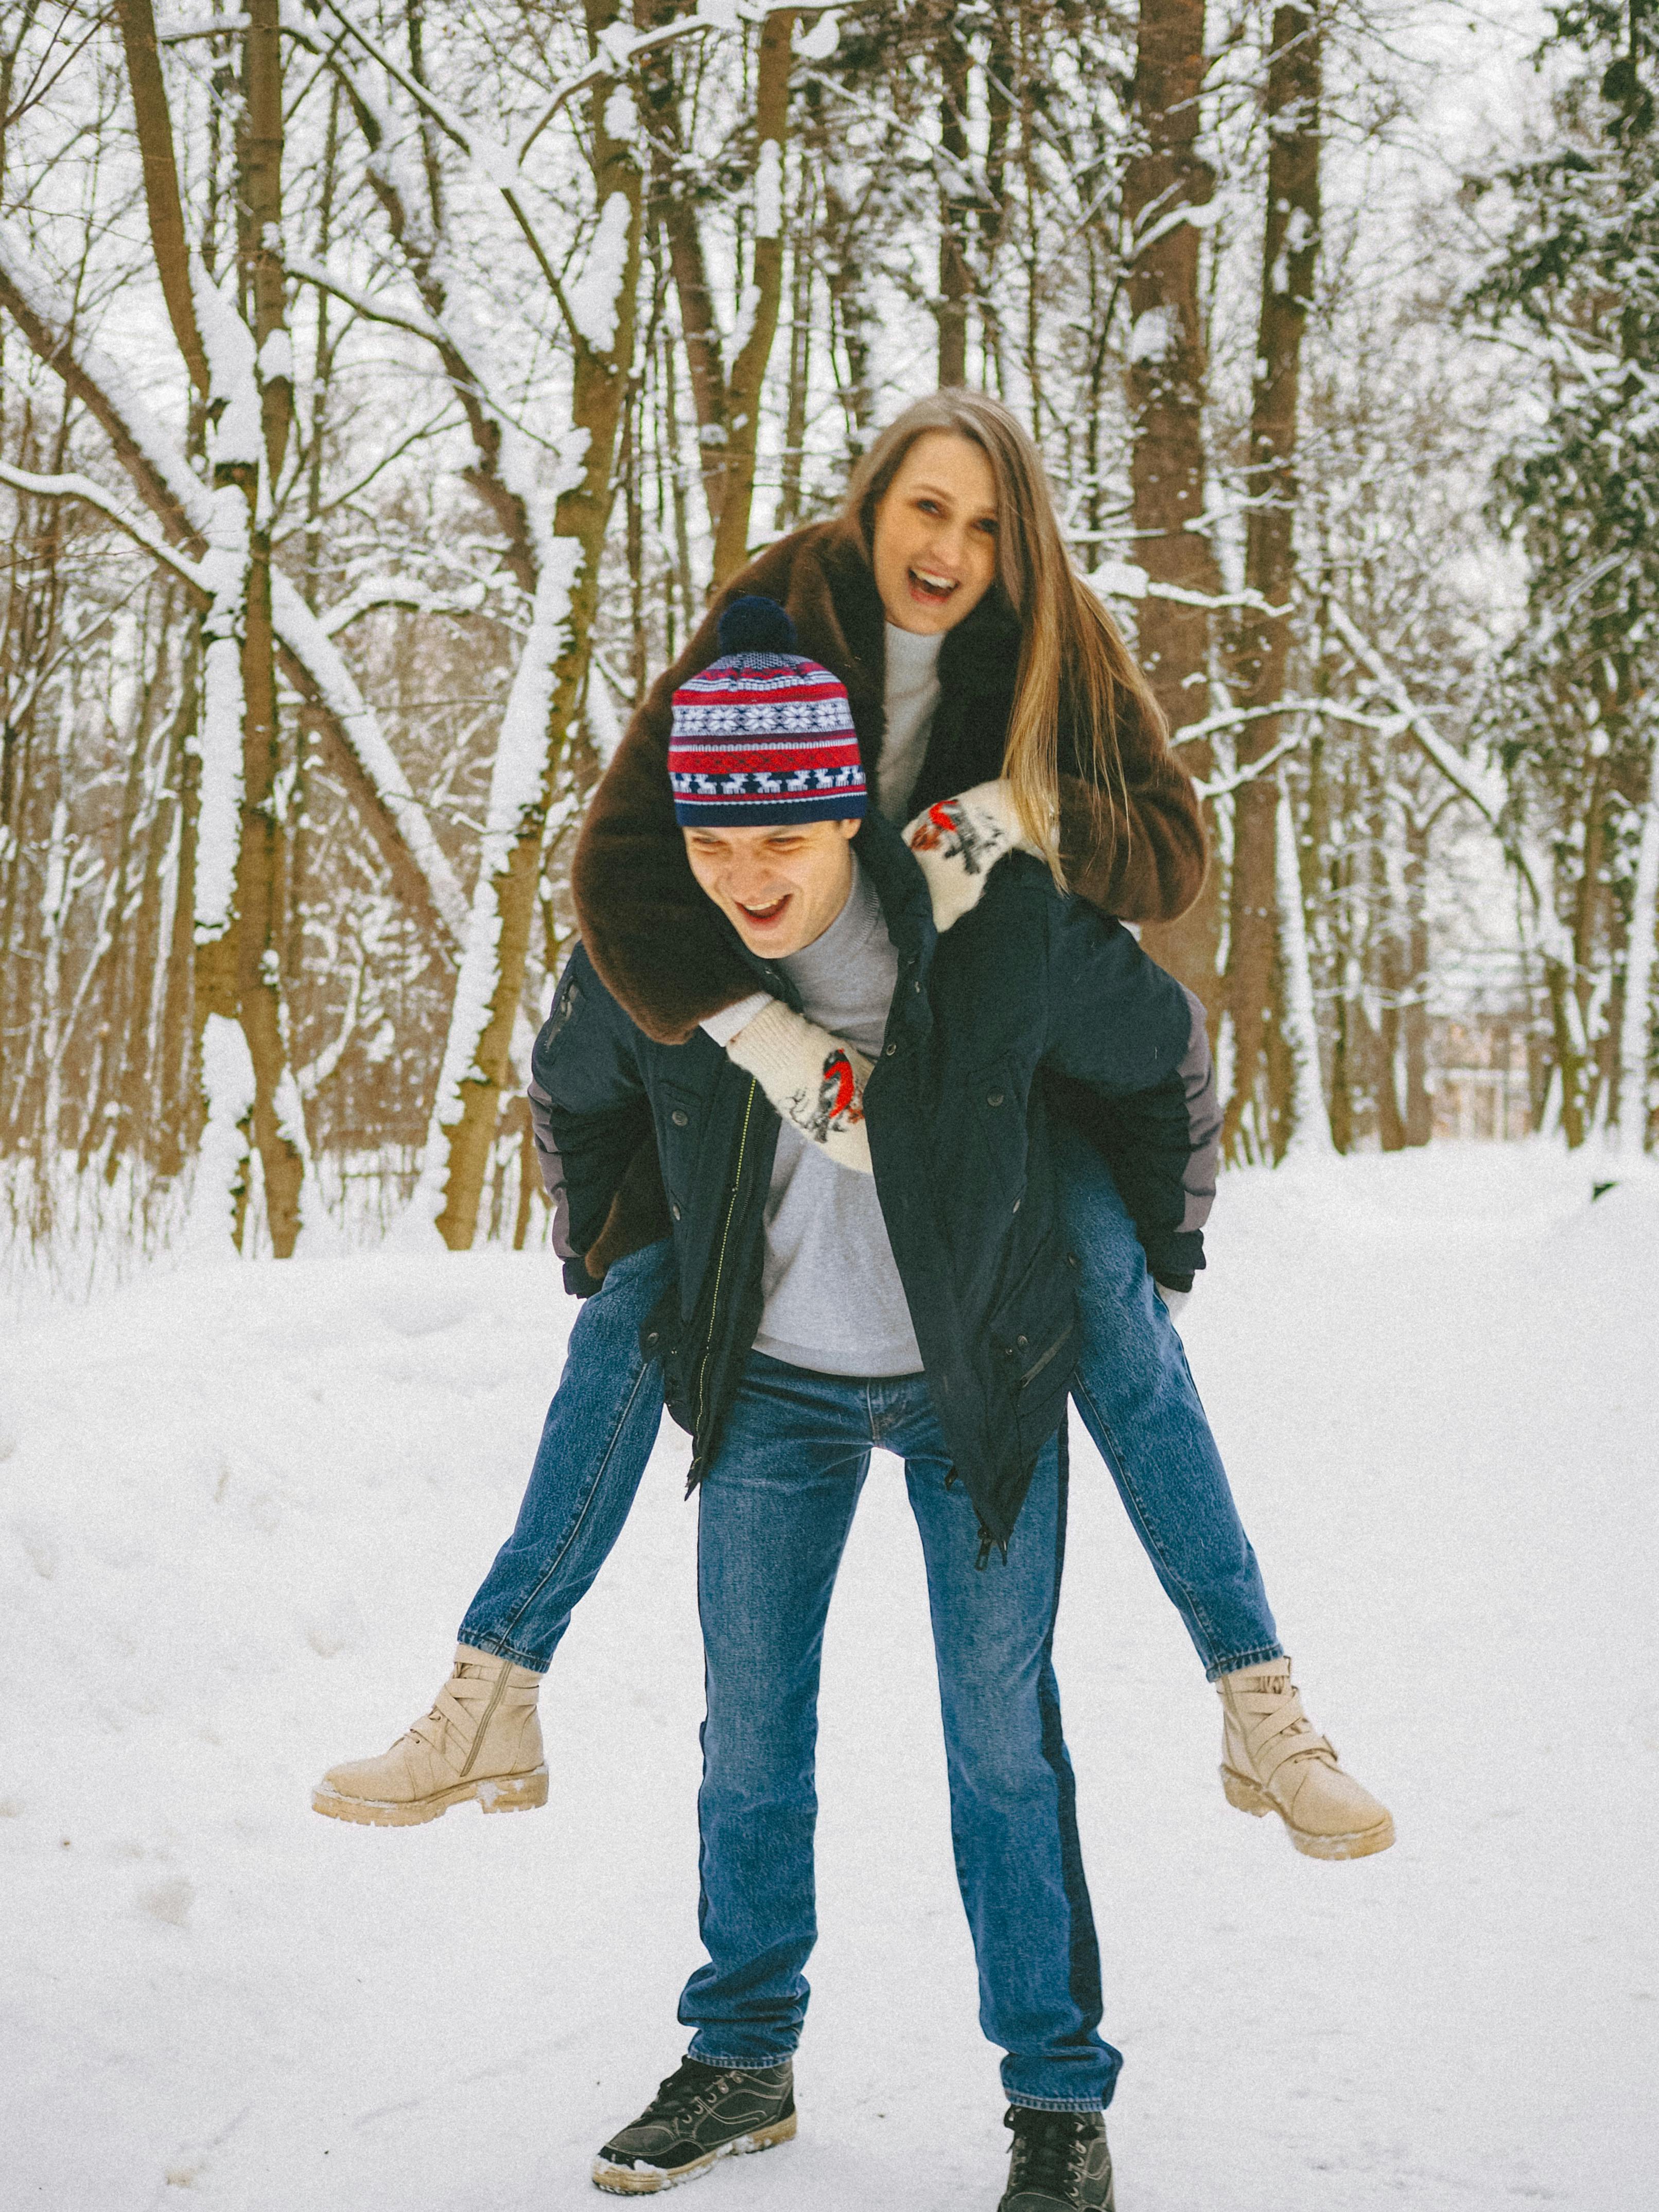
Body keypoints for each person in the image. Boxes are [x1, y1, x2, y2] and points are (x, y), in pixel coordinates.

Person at [315, 391, 1390, 1868]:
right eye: (927, 507)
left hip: (998, 1073)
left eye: (989, 525)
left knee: (1115, 1307)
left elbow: (1170, 856)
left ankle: (1260, 1702)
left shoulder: (1053, 645)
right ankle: (495, 1687)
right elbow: (623, 864)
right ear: (871, 502)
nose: (952, 547)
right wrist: (761, 1034)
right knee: (643, 1291)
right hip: (785, 1048)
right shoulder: (771, 611)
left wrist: (1017, 808)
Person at [542, 619, 1207, 2203]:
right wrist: (611, 1249)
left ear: (846, 813)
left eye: (783, 832)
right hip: (772, 1393)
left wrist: (1148, 1244)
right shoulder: (660, 949)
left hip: (969, 1385)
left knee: (1000, 1743)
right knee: (749, 1736)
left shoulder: (973, 916)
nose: (748, 872)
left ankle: (1056, 2096)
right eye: (714, 837)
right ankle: (742, 2053)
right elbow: (573, 1087)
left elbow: (1154, 1045)